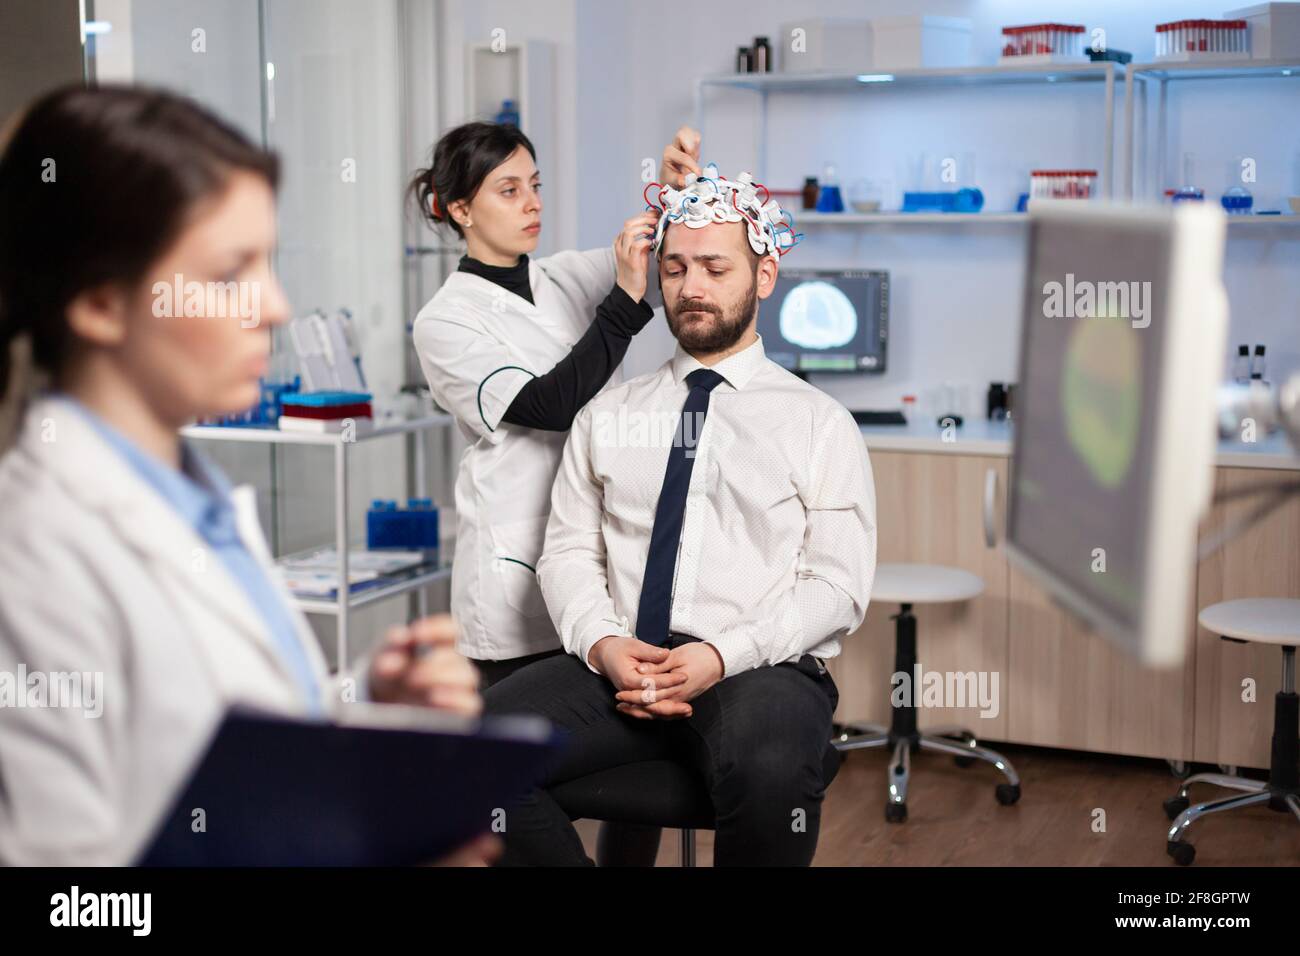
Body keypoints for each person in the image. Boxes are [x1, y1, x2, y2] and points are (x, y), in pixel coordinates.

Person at [0, 85, 489, 866]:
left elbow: (222, 750)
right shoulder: (31, 553)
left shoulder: (189, 496)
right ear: (99, 303)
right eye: (230, 274)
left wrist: (364, 700)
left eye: (269, 264)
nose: (275, 306)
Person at [483, 169, 878, 866]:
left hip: (759, 663)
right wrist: (604, 644)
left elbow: (837, 586)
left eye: (715, 267)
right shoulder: (608, 414)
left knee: (771, 776)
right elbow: (569, 554)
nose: (692, 286)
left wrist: (723, 655)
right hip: (622, 659)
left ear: (764, 276)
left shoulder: (817, 423)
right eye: (675, 267)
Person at [409, 121, 701, 864]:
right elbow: (549, 404)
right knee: (515, 785)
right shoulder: (445, 321)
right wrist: (625, 307)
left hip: (604, 573)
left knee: (628, 756)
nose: (531, 202)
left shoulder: (560, 277)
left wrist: (671, 192)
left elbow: (645, 256)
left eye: (535, 185)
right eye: (509, 190)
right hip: (515, 587)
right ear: (460, 210)